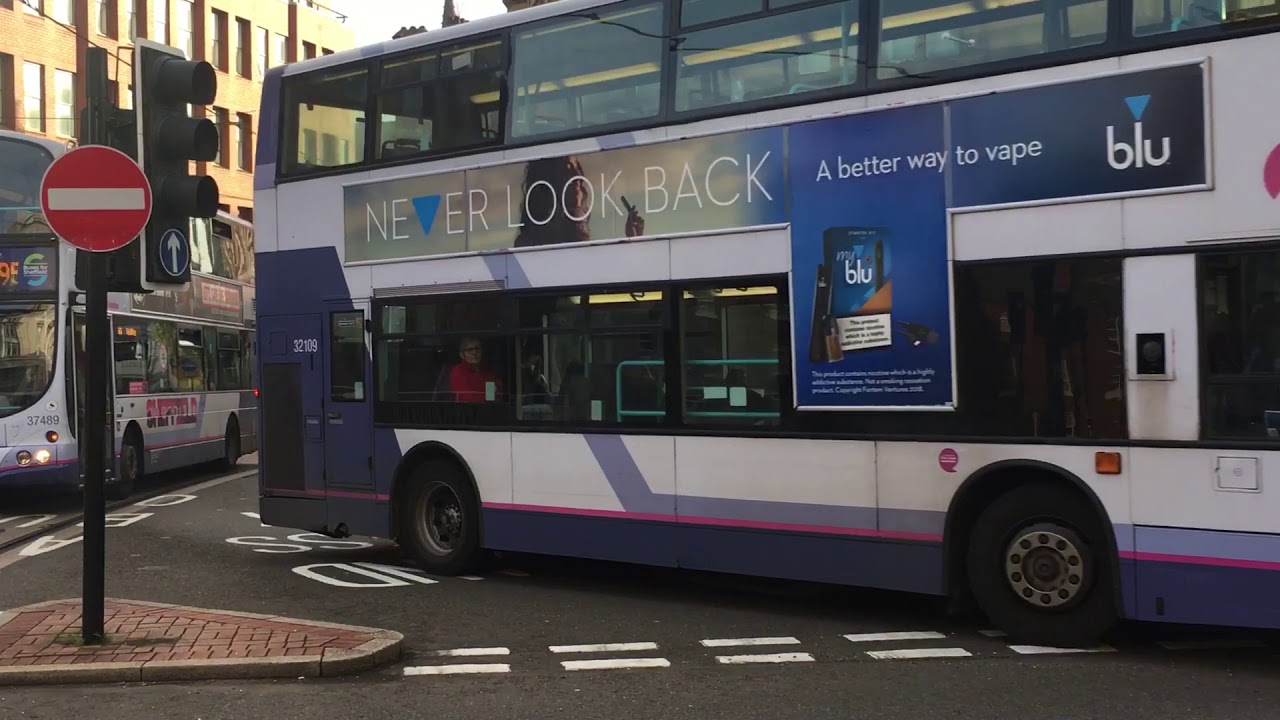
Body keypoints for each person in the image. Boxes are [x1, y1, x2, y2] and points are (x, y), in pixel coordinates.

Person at [448, 337, 503, 403]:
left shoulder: (486, 372)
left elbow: (494, 397)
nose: (474, 352)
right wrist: (488, 397)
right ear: (462, 355)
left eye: (477, 349)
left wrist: (492, 395)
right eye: (470, 350)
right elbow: (467, 398)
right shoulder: (458, 371)